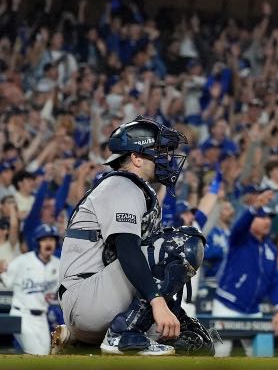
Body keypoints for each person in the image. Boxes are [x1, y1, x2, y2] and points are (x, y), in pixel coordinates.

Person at [53, 117, 203, 356]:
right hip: (87, 298)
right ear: (136, 157)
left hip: (99, 298)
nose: (166, 158)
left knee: (193, 342)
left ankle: (82, 343)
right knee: (182, 245)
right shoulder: (123, 185)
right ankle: (122, 334)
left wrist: (175, 314)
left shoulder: (134, 188)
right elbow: (128, 249)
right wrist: (157, 302)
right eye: (159, 151)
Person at [212, 199, 278, 357]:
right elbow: (239, 227)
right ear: (252, 219)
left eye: (269, 218)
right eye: (262, 217)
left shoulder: (271, 249)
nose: (267, 221)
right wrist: (253, 209)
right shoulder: (240, 239)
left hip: (254, 310)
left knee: (263, 356)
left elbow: (275, 282)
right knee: (220, 353)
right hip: (226, 306)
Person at [3, 223, 60, 354]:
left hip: (41, 318)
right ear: (37, 242)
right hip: (22, 314)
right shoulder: (22, 261)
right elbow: (6, 282)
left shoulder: (58, 265)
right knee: (37, 354)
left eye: (51, 240)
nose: (48, 243)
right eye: (44, 239)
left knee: (45, 354)